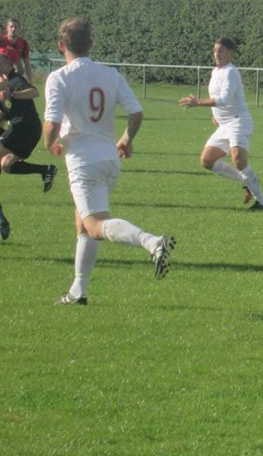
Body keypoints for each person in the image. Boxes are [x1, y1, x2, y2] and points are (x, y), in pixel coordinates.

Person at [44, 18, 175, 306]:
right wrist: (127, 139)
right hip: (109, 159)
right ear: (91, 44)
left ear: (61, 46)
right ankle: (78, 291)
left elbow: (52, 123)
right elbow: (136, 113)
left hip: (83, 161)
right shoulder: (111, 75)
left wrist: (49, 143)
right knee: (82, 222)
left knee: (93, 225)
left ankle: (152, 242)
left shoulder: (59, 77)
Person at [179, 37, 263, 210]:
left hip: (238, 121)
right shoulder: (215, 72)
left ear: (230, 53)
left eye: (221, 51)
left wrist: (198, 103)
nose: (217, 54)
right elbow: (218, 99)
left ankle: (262, 202)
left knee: (238, 159)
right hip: (224, 124)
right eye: (215, 51)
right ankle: (246, 181)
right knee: (206, 160)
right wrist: (216, 116)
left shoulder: (231, 71)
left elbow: (225, 99)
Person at [0, 53, 57, 240]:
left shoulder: (14, 79)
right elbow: (1, 114)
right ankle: (46, 170)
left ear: (8, 65)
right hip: (29, 130)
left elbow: (34, 92)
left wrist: (11, 93)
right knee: (7, 165)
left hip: (23, 126)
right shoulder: (3, 84)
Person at [4, 18, 34, 83]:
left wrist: (30, 82)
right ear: (7, 28)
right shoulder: (1, 41)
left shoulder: (24, 43)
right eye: (11, 27)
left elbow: (27, 64)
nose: (13, 29)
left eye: (16, 27)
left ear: (19, 29)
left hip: (14, 73)